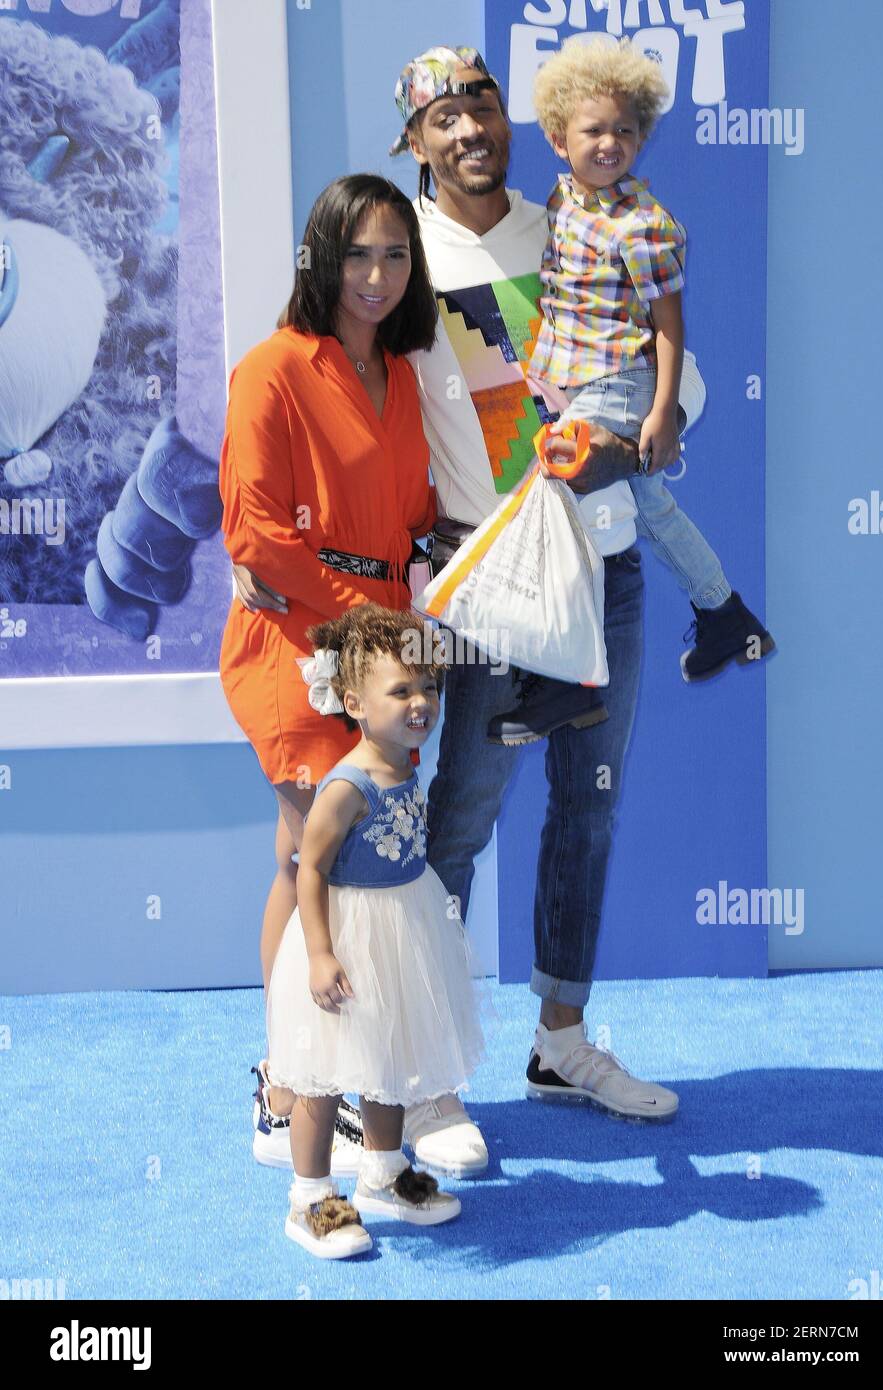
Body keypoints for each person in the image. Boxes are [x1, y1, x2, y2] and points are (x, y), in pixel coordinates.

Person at [236, 46, 682, 1179]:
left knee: (588, 809)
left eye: (481, 103)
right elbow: (329, 425)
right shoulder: (391, 267)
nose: (469, 126)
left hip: (606, 567)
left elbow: (660, 384)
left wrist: (641, 436)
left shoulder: (583, 225)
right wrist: (272, 556)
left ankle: (562, 1039)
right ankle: (420, 1079)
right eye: (443, 114)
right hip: (479, 592)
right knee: (450, 829)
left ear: (509, 115)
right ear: (416, 141)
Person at [218, 174, 439, 1173]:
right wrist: (364, 624)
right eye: (357, 254)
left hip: (377, 655)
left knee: (305, 858)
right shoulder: (272, 366)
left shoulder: (402, 370)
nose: (377, 276)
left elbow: (414, 514)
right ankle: (287, 1093)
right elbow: (255, 533)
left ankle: (302, 1082)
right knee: (323, 860)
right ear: (319, 259)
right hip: (297, 648)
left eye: (395, 255)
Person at [524, 35, 772, 713]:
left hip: (621, 385)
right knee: (650, 509)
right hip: (575, 385)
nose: (609, 144)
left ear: (641, 139)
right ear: (556, 138)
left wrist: (661, 412)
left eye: (624, 132)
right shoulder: (561, 201)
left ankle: (570, 675)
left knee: (559, 508)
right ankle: (724, 614)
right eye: (592, 130)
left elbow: (668, 324)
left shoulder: (645, 225)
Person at [265, 602, 484, 1258]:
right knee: (323, 1076)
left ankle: (384, 1174)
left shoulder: (405, 763)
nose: (421, 703)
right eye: (402, 691)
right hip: (348, 940)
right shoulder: (345, 786)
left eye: (429, 688)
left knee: (389, 1062)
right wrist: (321, 954)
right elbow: (311, 872)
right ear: (355, 701)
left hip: (402, 932)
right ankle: (310, 1198)